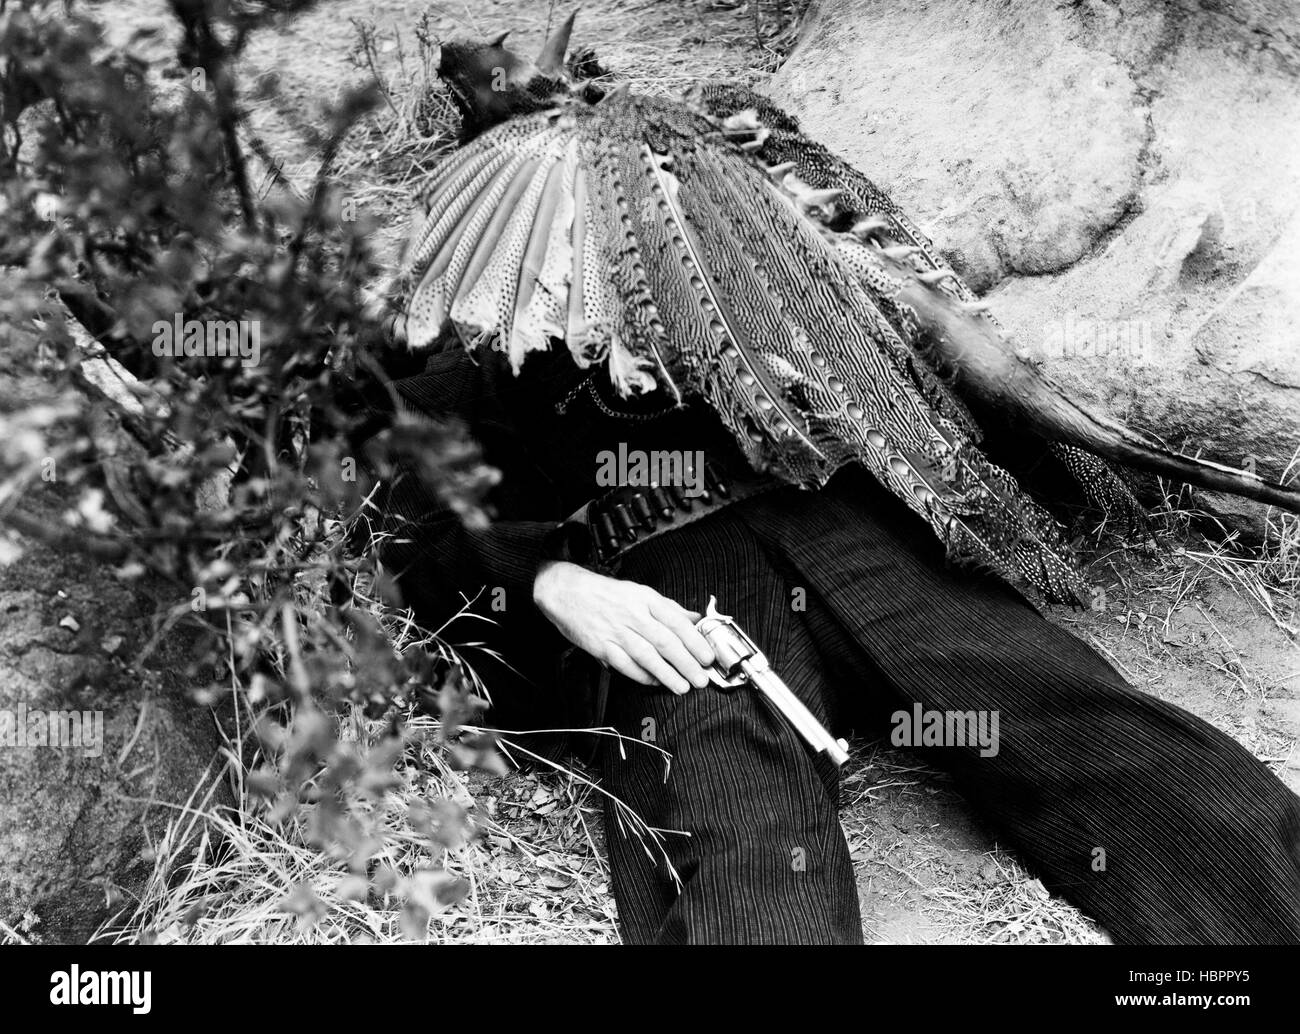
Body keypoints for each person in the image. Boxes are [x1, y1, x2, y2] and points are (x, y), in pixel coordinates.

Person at [359, 337, 1300, 945]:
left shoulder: (747, 264)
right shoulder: (468, 347)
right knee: (742, 823)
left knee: (1058, 712)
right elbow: (397, 507)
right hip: (666, 582)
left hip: (843, 533)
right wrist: (549, 580)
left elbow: (940, 389)